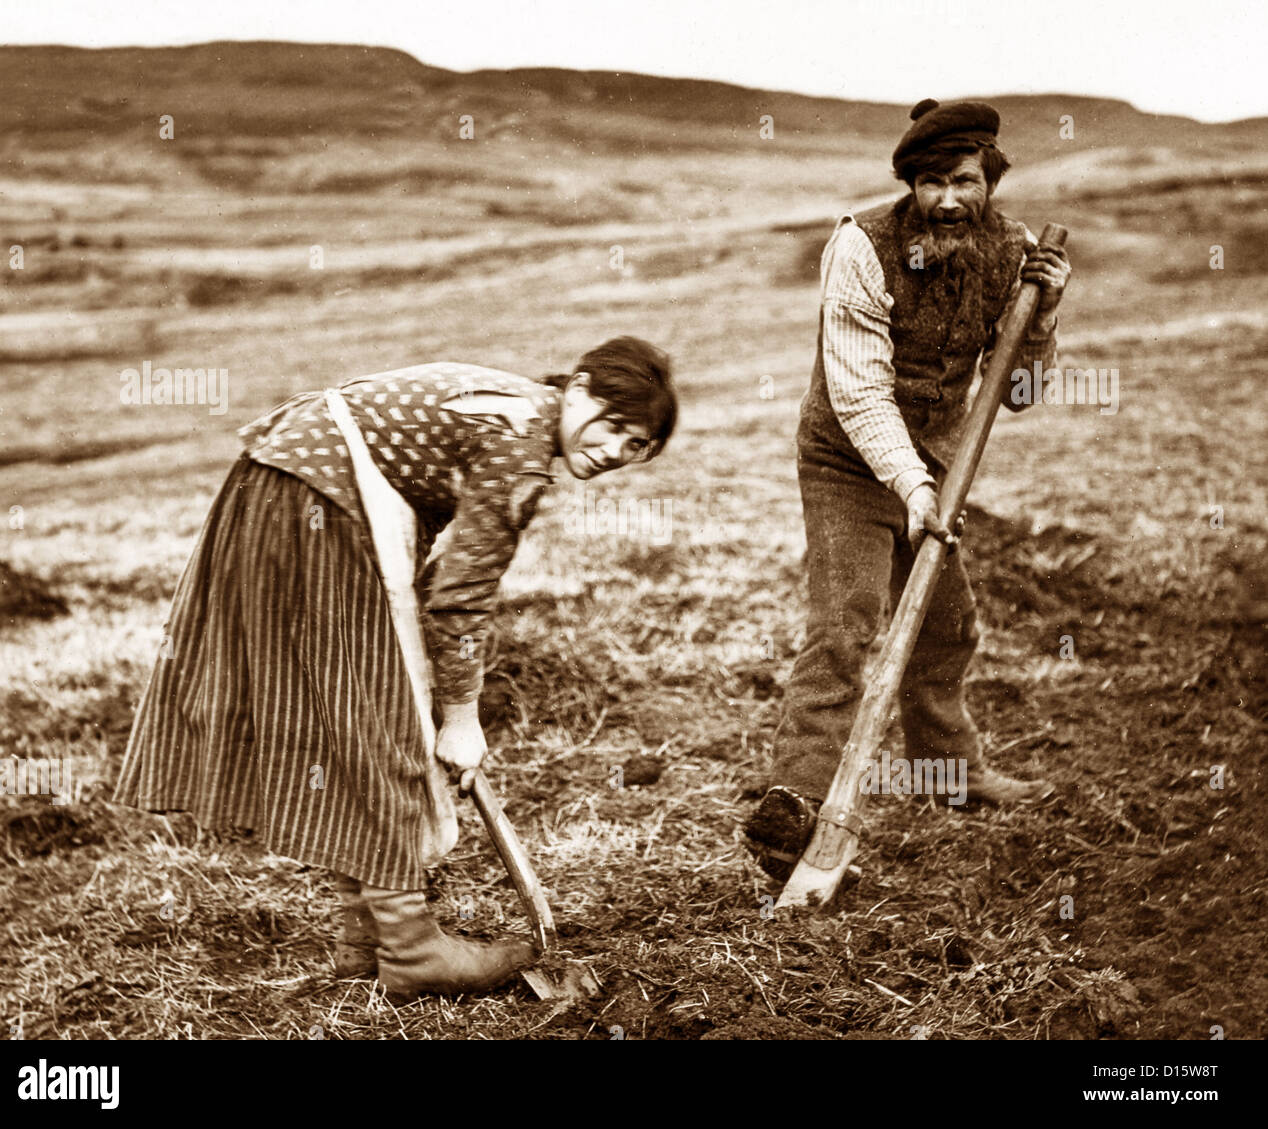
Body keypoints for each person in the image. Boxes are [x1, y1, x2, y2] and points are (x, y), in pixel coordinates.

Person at [114, 337, 676, 997]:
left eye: (635, 447)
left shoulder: (514, 408)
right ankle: (410, 947)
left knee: (354, 711)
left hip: (283, 488)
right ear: (578, 386)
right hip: (318, 504)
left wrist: (432, 672)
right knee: (379, 717)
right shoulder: (522, 448)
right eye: (613, 426)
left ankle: (367, 934)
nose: (615, 451)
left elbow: (437, 579)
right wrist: (461, 719)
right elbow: (461, 601)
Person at [745, 99, 1071, 881]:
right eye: (930, 182)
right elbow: (858, 396)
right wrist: (912, 486)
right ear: (910, 185)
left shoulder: (1011, 251)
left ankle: (949, 772)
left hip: (936, 463)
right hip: (847, 460)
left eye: (963, 180)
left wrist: (1045, 314)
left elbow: (1018, 391)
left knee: (947, 623)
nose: (948, 199)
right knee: (845, 624)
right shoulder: (860, 246)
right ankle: (793, 810)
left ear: (987, 179)